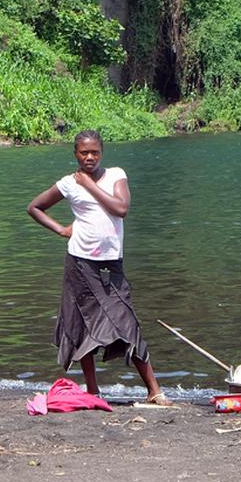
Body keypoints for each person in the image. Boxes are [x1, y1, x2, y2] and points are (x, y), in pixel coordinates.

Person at [26, 129, 172, 405]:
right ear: (75, 154)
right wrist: (61, 230)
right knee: (81, 325)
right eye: (84, 153)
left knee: (128, 322)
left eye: (94, 152)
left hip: (110, 265)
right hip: (79, 263)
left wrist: (89, 185)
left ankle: (154, 390)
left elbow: (121, 208)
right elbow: (34, 207)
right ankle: (93, 392)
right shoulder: (68, 183)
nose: (89, 157)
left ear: (102, 152)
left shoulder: (116, 174)